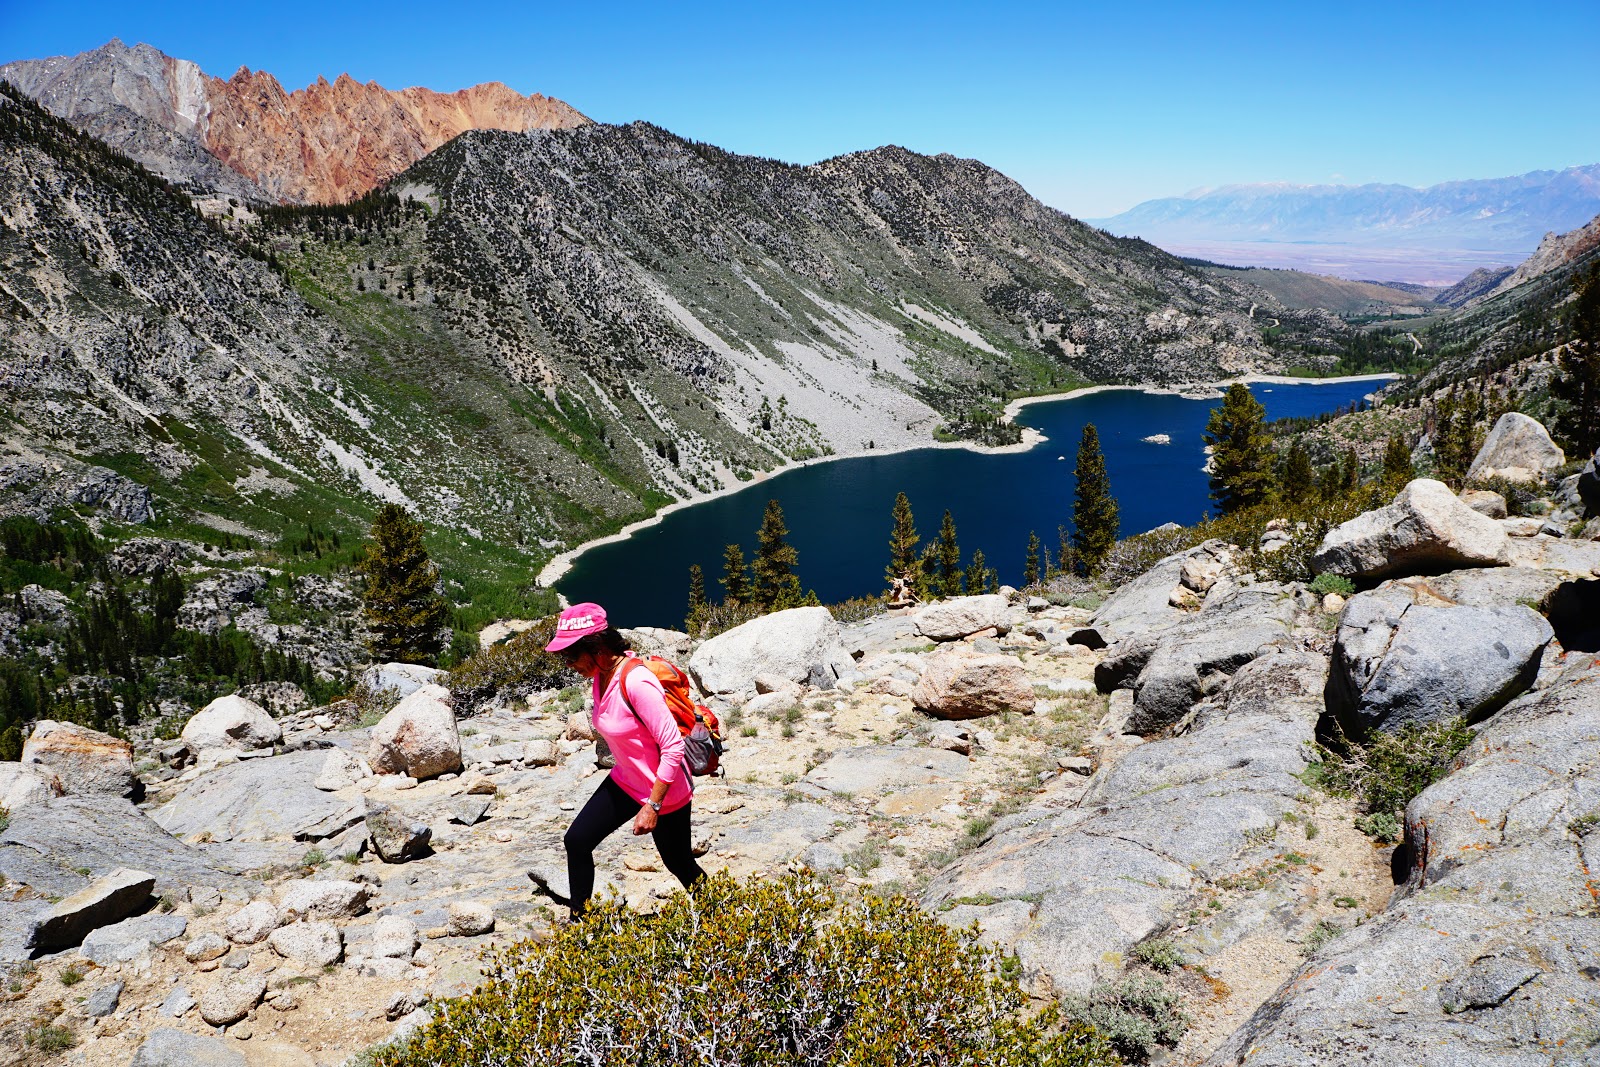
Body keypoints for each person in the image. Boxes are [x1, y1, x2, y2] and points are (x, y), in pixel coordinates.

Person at [541, 602, 704, 917]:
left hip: (664, 790)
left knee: (680, 864)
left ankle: (726, 915)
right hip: (627, 780)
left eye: (571, 655)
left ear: (597, 647)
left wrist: (652, 806)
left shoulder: (637, 682)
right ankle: (580, 922)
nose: (569, 664)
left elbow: (672, 746)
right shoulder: (601, 675)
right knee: (577, 841)